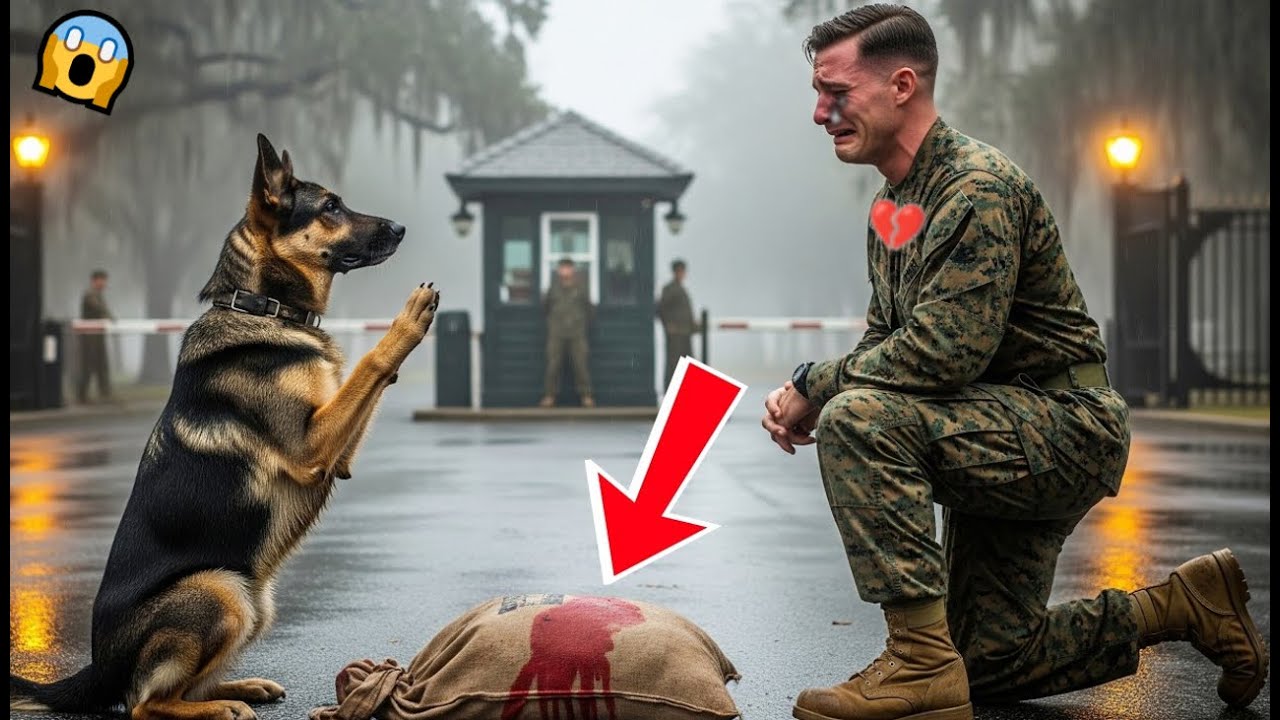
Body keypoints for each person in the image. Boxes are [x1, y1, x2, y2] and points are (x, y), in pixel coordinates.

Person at [761, 6, 1268, 720]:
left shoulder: (975, 187)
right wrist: (819, 384)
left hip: (1061, 424)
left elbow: (943, 352)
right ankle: (1185, 606)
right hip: (996, 425)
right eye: (818, 94)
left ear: (902, 84)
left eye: (835, 91)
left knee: (859, 422)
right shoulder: (895, 207)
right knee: (990, 662)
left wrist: (813, 386)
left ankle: (917, 663)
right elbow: (886, 346)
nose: (820, 112)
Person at [540, 257, 594, 408]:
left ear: (572, 270)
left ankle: (586, 395)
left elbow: (589, 310)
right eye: (562, 268)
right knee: (553, 364)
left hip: (577, 334)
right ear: (558, 271)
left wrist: (581, 324)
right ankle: (549, 396)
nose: (565, 271)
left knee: (580, 364)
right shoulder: (553, 289)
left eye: (568, 268)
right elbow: (545, 308)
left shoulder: (582, 288)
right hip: (556, 333)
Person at [656, 258, 700, 391]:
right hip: (676, 336)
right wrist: (668, 325)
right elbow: (660, 308)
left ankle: (684, 391)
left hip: (685, 334)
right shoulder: (670, 289)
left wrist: (694, 326)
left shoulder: (680, 289)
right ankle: (670, 392)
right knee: (674, 365)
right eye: (681, 271)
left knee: (687, 365)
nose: (682, 273)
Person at [77, 269, 115, 404]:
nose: (104, 283)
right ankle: (82, 395)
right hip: (89, 337)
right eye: (102, 280)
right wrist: (110, 317)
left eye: (105, 280)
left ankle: (105, 393)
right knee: (87, 365)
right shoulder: (90, 294)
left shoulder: (99, 295)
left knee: (102, 364)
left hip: (98, 335)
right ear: (94, 280)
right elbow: (99, 308)